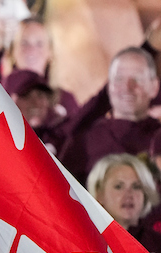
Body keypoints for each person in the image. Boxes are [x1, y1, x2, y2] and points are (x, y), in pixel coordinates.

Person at [58, 47, 161, 182]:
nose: (127, 87)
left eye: (138, 79)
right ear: (108, 87)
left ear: (154, 87)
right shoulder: (84, 140)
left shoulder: (158, 138)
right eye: (119, 79)